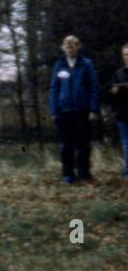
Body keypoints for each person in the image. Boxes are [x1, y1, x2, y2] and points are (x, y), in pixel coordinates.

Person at [48, 35, 99, 183]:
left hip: (82, 111)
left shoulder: (86, 64)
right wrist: (53, 110)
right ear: (63, 48)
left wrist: (93, 109)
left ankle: (84, 173)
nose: (70, 49)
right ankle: (68, 174)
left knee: (83, 144)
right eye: (67, 46)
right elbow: (54, 89)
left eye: (73, 46)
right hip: (63, 111)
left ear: (78, 47)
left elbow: (93, 87)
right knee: (65, 145)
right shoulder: (59, 65)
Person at [105, 43, 128, 180]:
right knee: (126, 145)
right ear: (122, 56)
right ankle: (127, 173)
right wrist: (113, 90)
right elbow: (109, 91)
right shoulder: (117, 73)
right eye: (126, 54)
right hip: (123, 114)